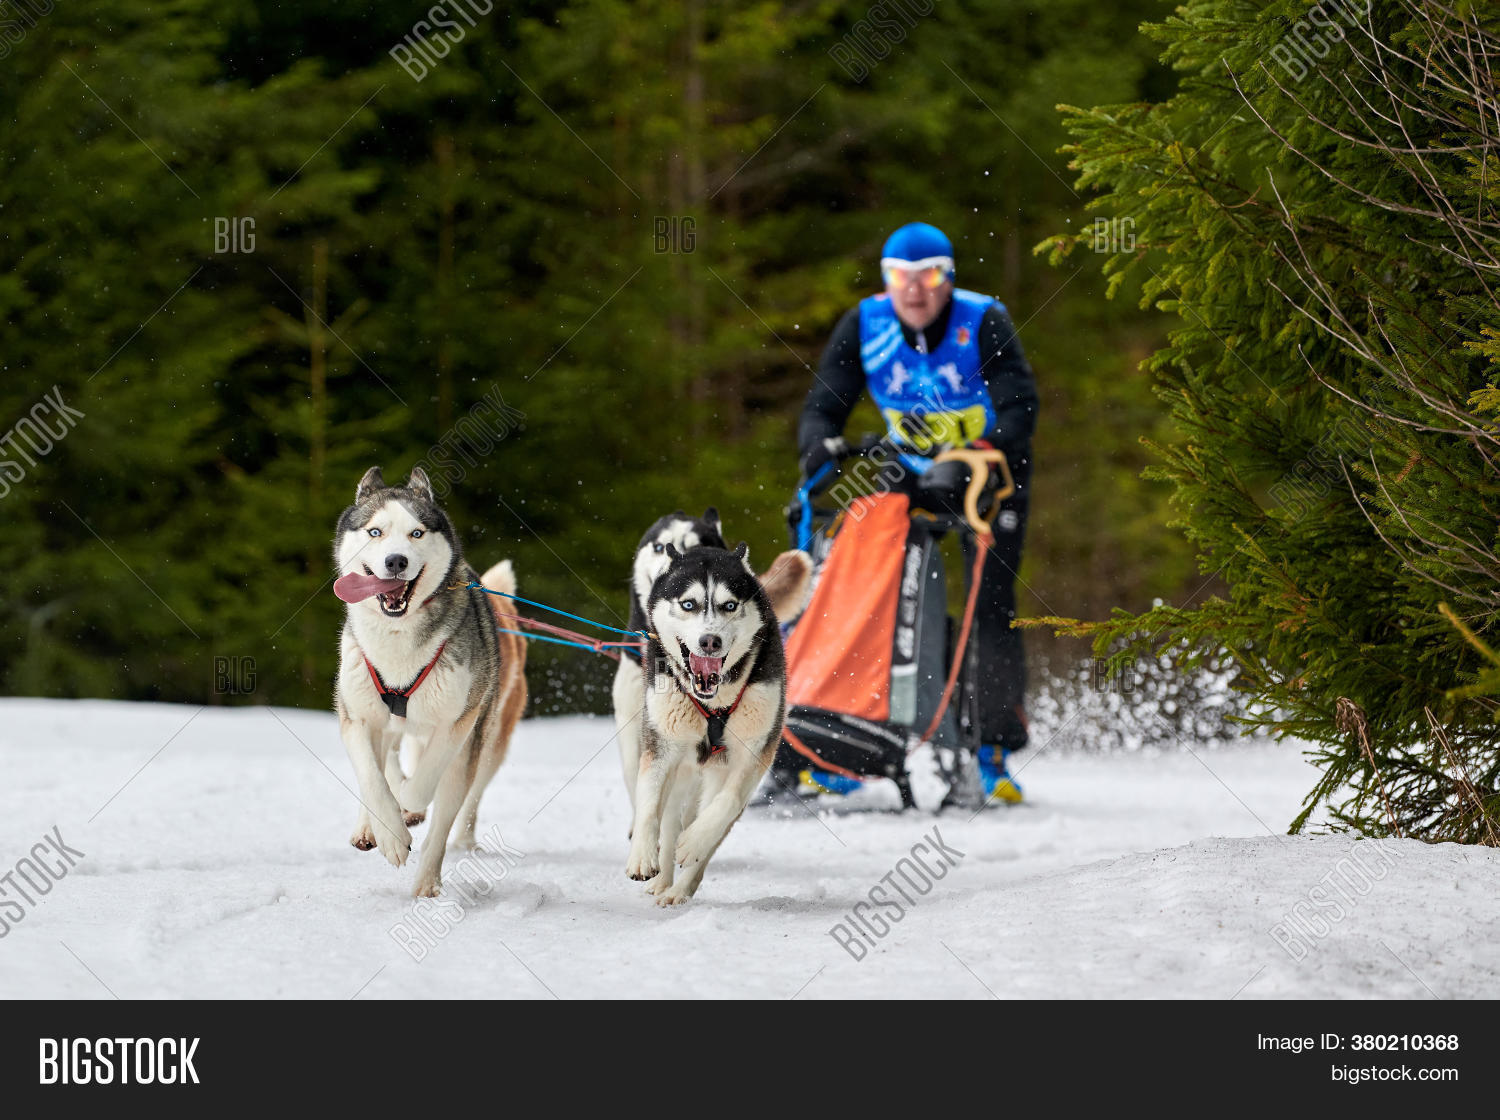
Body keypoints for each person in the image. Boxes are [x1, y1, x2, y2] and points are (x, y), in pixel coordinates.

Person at [797, 222, 1038, 803]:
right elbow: (824, 404)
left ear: (948, 278)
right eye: (900, 277)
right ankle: (848, 740)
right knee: (864, 587)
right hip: (907, 468)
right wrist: (818, 446)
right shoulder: (866, 323)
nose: (914, 290)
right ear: (886, 280)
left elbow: (1020, 406)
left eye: (929, 276)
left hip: (986, 470)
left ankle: (990, 751)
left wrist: (978, 452)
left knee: (990, 602)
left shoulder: (982, 319)